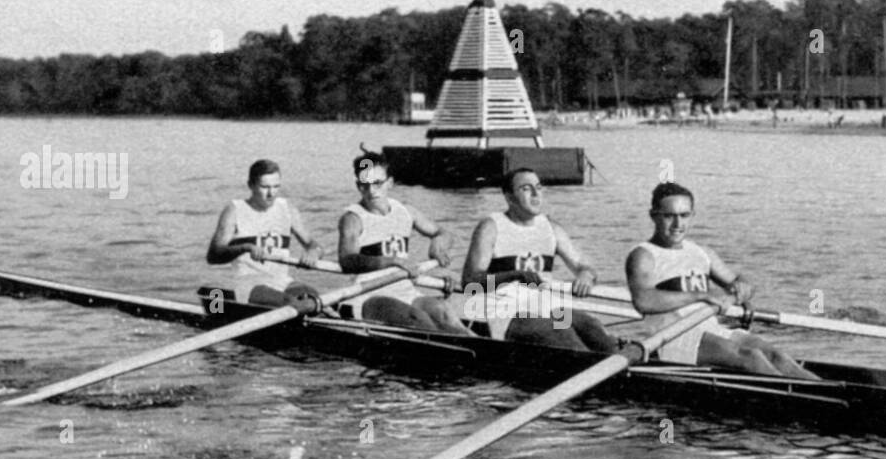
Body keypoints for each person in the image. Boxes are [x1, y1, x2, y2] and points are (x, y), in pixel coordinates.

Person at [625, 181, 818, 378]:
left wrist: (743, 289)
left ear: (693, 215)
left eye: (684, 215)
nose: (677, 224)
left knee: (778, 357)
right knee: (751, 357)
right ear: (653, 215)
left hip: (711, 329)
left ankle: (830, 395)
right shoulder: (644, 255)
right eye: (669, 216)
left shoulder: (701, 253)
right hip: (671, 337)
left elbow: (740, 280)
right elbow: (643, 301)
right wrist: (702, 295)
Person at [461, 168, 618, 352]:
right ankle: (596, 369)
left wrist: (586, 276)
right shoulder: (491, 227)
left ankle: (618, 368)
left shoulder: (550, 227)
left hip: (546, 308)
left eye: (538, 187)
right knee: (561, 333)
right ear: (509, 197)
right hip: (506, 312)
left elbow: (583, 266)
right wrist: (514, 275)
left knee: (590, 326)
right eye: (526, 189)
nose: (536, 194)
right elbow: (470, 282)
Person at [337, 150, 471, 334]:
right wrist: (390, 261)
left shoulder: (406, 212)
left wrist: (437, 246)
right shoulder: (353, 218)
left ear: (390, 183)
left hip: (405, 290)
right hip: (369, 294)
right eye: (364, 185)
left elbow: (443, 232)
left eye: (377, 183)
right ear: (358, 185)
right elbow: (347, 261)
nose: (371, 191)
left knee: (443, 311)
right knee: (419, 319)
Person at [206, 159, 326, 311]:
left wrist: (313, 252)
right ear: (250, 185)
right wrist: (245, 248)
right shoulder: (235, 210)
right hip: (249, 285)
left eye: (276, 187)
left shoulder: (287, 208)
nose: (271, 194)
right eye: (265, 187)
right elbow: (213, 256)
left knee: (313, 296)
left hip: (282, 282)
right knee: (293, 305)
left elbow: (314, 245)